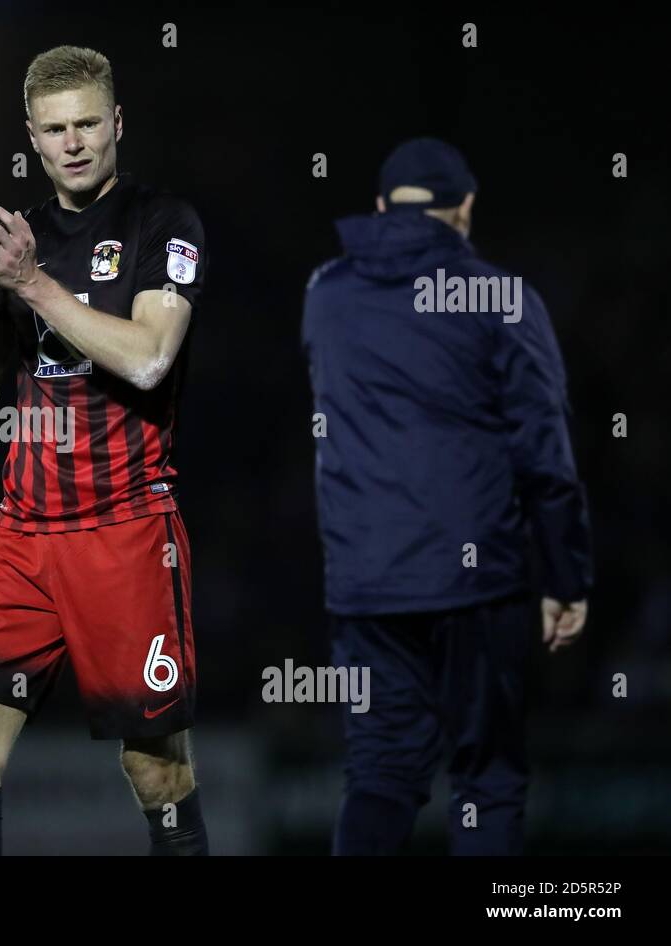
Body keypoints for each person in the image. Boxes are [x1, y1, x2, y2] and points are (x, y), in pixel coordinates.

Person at [0, 45, 208, 855]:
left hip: (125, 534)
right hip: (24, 539)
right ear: (33, 137)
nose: (74, 142)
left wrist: (33, 286)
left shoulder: (162, 224)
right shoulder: (22, 239)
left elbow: (151, 357)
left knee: (154, 768)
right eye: (56, 129)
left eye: (88, 123)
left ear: (117, 123)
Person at [301, 138, 594, 855]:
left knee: (378, 773)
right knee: (486, 777)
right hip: (477, 579)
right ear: (465, 208)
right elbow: (545, 450)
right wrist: (566, 575)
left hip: (367, 583)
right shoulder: (502, 297)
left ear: (380, 206)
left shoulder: (324, 295)